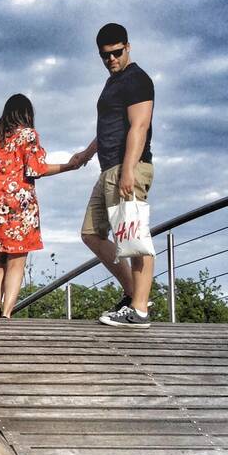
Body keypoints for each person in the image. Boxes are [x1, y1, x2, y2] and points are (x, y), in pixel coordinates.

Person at [67, 23, 156, 327]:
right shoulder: (112, 82)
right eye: (105, 56)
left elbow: (139, 126)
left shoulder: (138, 80)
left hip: (128, 167)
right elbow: (109, 127)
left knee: (134, 237)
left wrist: (128, 169)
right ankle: (133, 295)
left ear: (128, 46)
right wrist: (86, 154)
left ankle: (141, 310)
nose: (111, 60)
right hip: (109, 168)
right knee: (91, 232)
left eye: (116, 53)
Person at [0, 94, 81, 317]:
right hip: (21, 207)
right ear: (27, 113)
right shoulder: (28, 135)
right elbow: (37, 169)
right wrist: (68, 166)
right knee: (17, 261)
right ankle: (7, 312)